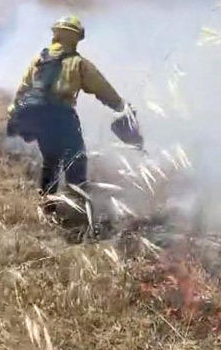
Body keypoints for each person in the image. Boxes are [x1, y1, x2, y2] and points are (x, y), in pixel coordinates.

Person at [7, 15, 135, 210]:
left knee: (50, 160)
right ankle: (77, 205)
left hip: (36, 116)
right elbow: (101, 88)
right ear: (77, 37)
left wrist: (14, 111)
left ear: (56, 34)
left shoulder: (39, 59)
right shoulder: (78, 63)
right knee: (76, 158)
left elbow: (23, 88)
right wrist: (120, 105)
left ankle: (47, 206)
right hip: (61, 115)